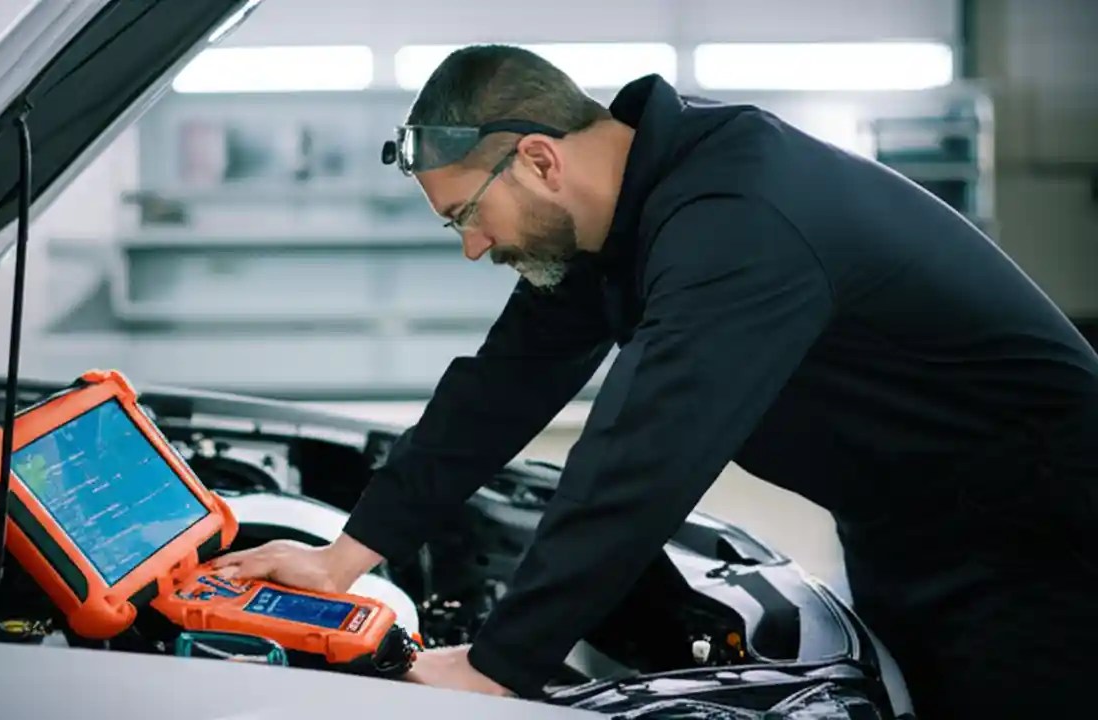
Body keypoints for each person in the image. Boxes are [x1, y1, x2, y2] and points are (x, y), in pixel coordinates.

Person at [211, 45, 1098, 718]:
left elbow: (643, 454)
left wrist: (497, 667)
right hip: (910, 527)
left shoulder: (737, 215)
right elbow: (500, 386)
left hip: (1040, 544)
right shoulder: (623, 215)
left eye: (466, 218)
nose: (474, 247)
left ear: (539, 159)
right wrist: (345, 558)